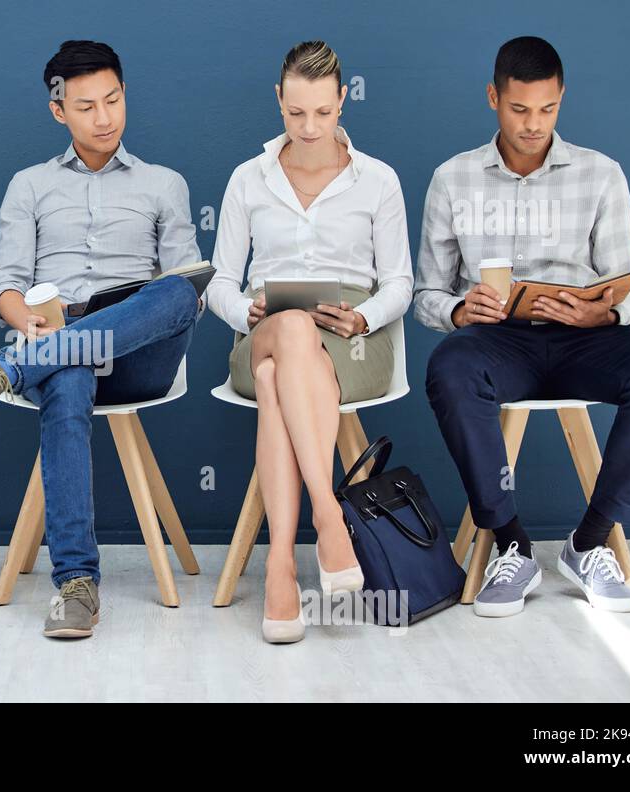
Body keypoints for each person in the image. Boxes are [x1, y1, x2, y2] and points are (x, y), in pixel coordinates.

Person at [415, 36, 630, 617]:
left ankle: (589, 541)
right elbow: (427, 294)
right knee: (449, 366)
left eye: (547, 109)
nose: (533, 124)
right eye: (519, 109)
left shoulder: (601, 174)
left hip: (583, 338)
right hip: (496, 341)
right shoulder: (452, 178)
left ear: (561, 99)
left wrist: (606, 312)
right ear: (494, 98)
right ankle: (511, 544)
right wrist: (461, 312)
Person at [0, 40, 203, 639]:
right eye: (86, 106)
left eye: (113, 100)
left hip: (142, 351)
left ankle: (5, 372)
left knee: (176, 292)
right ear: (58, 111)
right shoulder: (28, 186)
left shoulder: (164, 184)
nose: (105, 117)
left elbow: (187, 286)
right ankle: (76, 585)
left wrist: (28, 351)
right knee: (68, 371)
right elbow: (6, 286)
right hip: (55, 335)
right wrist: (24, 320)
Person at [206, 41, 413, 643]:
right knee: (289, 329)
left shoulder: (378, 181)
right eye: (297, 113)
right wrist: (247, 310)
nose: (311, 127)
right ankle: (329, 516)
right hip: (265, 330)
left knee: (278, 379)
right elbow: (218, 278)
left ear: (343, 99)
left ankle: (278, 570)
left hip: (353, 342)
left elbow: (400, 280)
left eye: (323, 112)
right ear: (279, 101)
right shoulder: (249, 179)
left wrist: (366, 317)